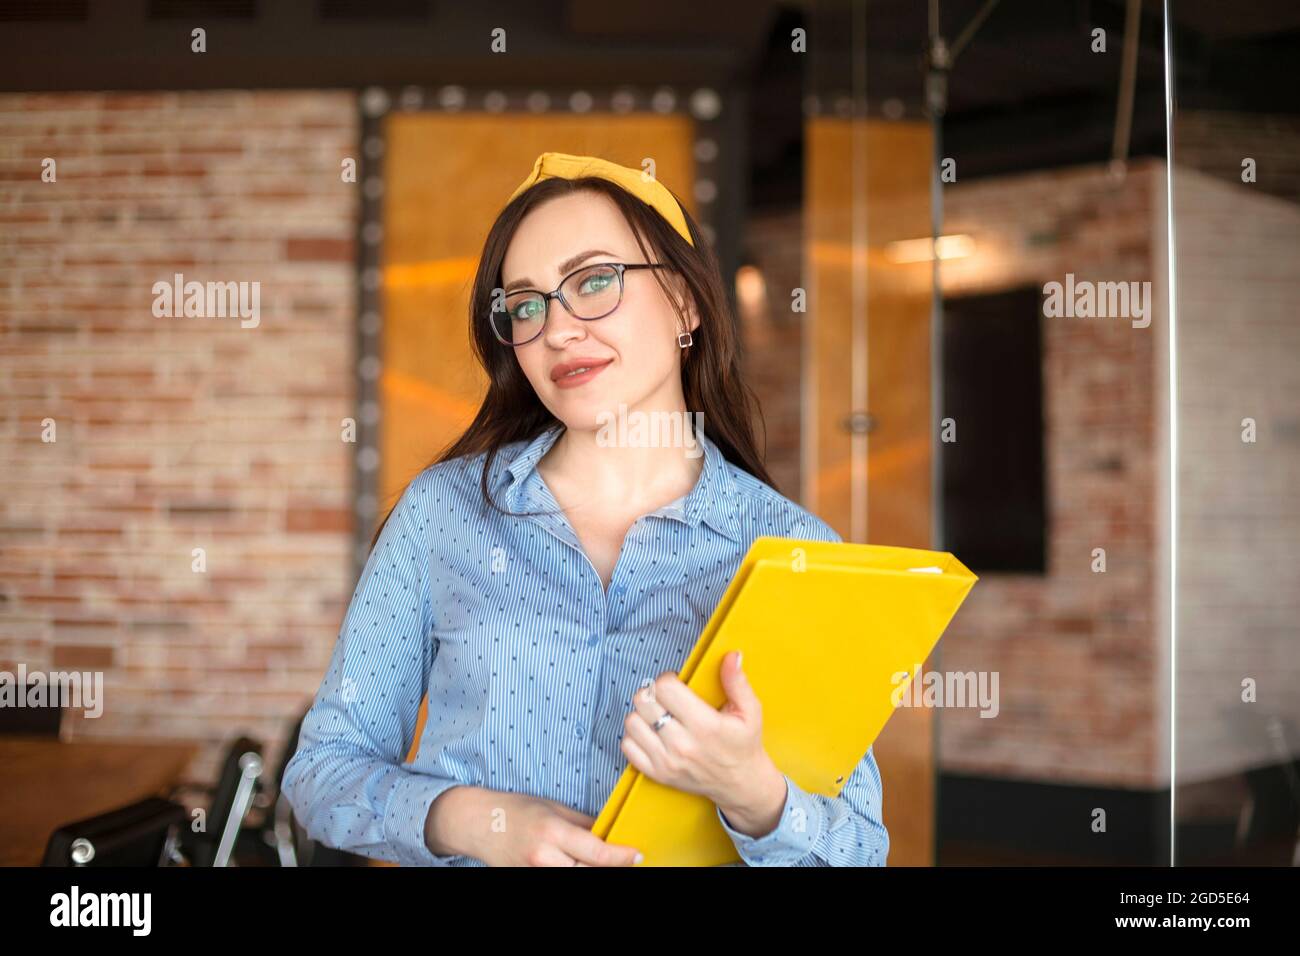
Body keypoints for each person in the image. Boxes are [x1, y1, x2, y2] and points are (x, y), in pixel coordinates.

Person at [281, 151, 889, 867]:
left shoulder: (795, 554)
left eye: (595, 281)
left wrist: (755, 795)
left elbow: (860, 849)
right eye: (526, 305)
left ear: (685, 302)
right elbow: (321, 771)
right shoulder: (442, 513)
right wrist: (479, 822)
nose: (558, 329)